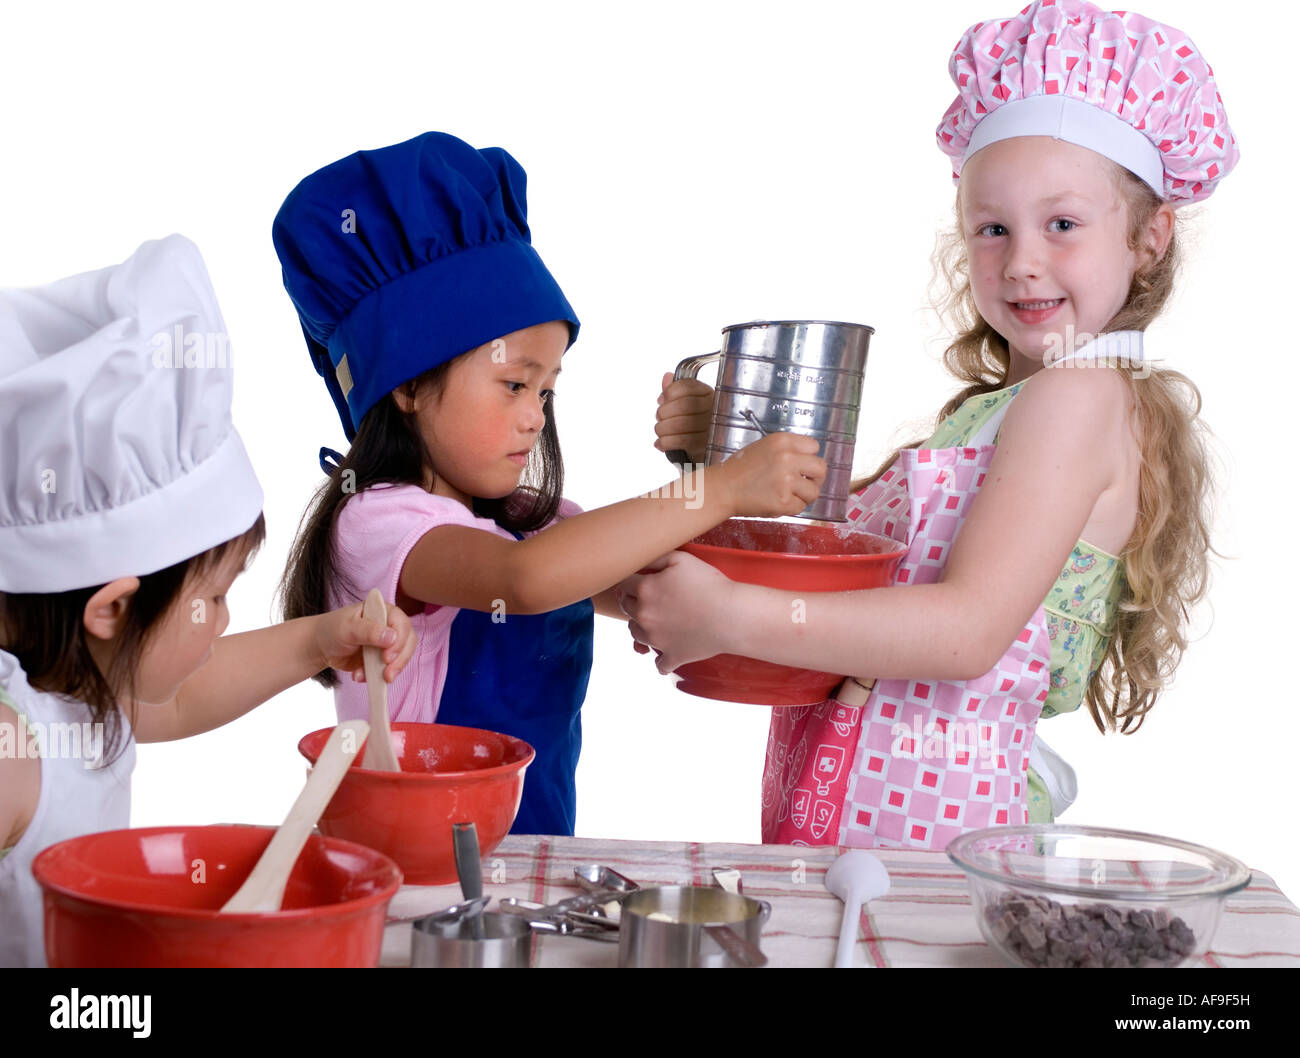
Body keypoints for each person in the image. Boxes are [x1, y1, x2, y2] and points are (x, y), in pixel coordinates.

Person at [630, 0, 1235, 849]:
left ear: (1148, 237)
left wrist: (732, 617)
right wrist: (720, 453)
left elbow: (965, 631)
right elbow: (836, 559)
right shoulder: (992, 413)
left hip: (944, 835)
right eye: (992, 228)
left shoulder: (1083, 397)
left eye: (1062, 224)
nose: (1021, 259)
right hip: (865, 794)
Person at [272, 132, 825, 837]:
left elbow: (658, 581)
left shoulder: (534, 523)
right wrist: (714, 490)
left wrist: (702, 460)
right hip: (406, 872)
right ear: (407, 384)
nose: (535, 416)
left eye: (547, 389)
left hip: (529, 856)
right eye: (513, 384)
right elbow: (523, 581)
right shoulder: (379, 523)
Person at [0, 235, 415, 967]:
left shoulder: (83, 687)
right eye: (216, 596)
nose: (222, 620)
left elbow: (181, 699)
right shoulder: (12, 749)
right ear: (113, 609)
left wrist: (320, 640)